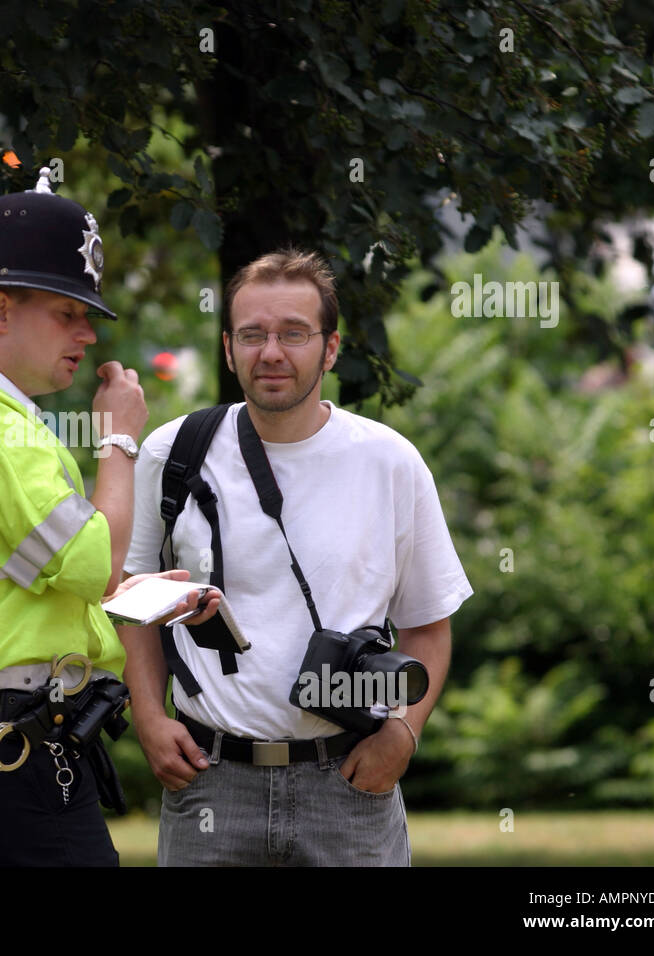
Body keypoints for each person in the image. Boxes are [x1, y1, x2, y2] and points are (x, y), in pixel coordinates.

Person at [0, 169, 210, 866]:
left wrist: (128, 593)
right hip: (3, 749)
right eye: (68, 313)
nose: (87, 334)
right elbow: (93, 562)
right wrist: (118, 438)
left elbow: (47, 577)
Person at [121, 248, 473, 866]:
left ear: (330, 349)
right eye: (253, 335)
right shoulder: (171, 453)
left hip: (347, 783)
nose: (272, 352)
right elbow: (132, 602)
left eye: (293, 334)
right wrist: (149, 716)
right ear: (229, 349)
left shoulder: (389, 462)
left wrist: (403, 734)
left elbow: (428, 625)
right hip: (210, 780)